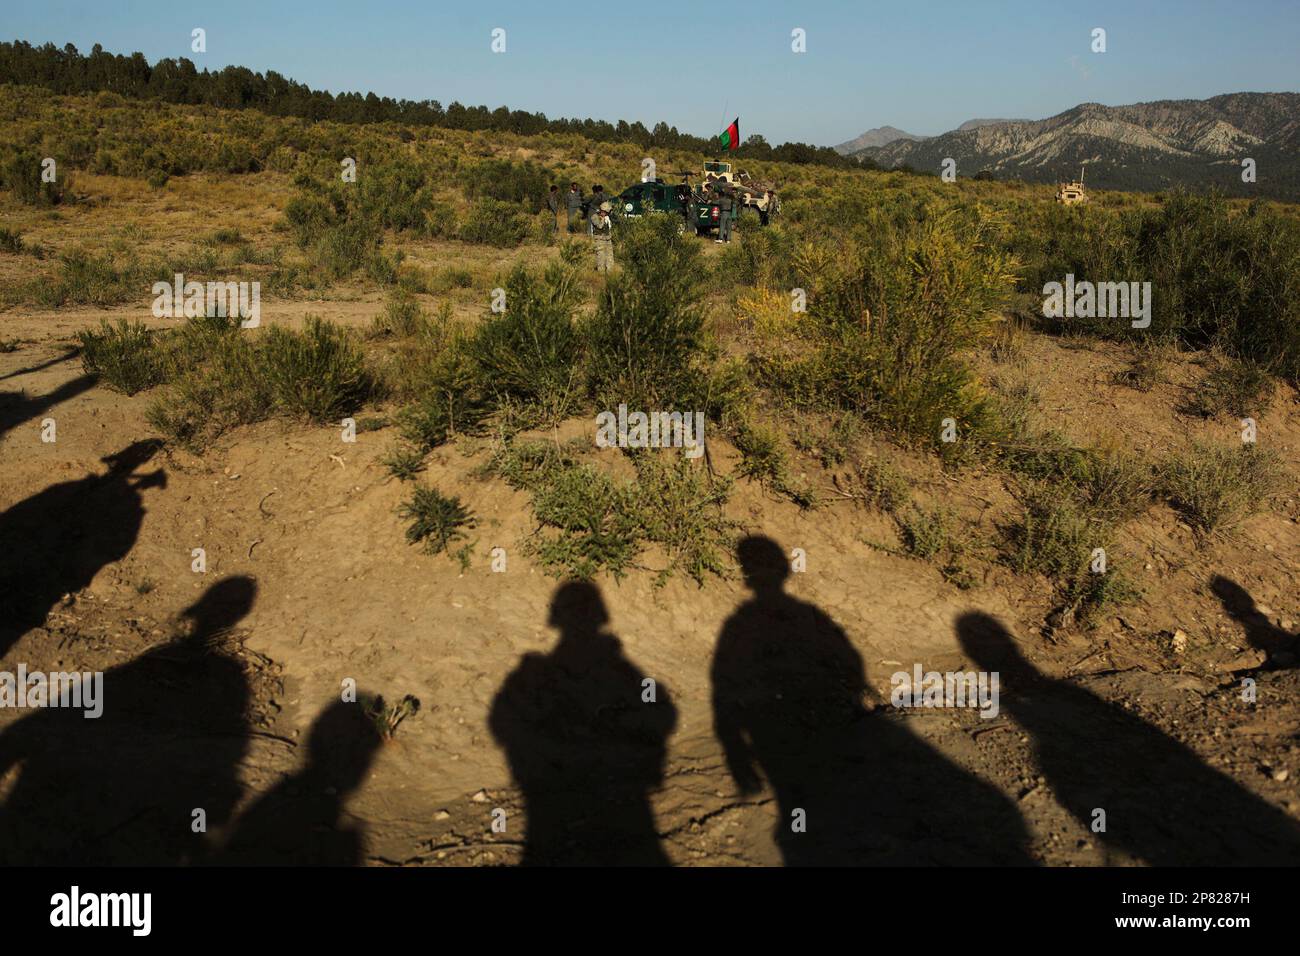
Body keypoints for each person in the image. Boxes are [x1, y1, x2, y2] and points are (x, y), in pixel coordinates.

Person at [590, 201, 614, 274]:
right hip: (599, 240)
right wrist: (603, 218)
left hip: (608, 239)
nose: (607, 213)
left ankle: (610, 273)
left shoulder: (608, 218)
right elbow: (599, 226)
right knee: (601, 257)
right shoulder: (594, 217)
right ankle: (601, 274)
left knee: (610, 257)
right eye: (606, 212)